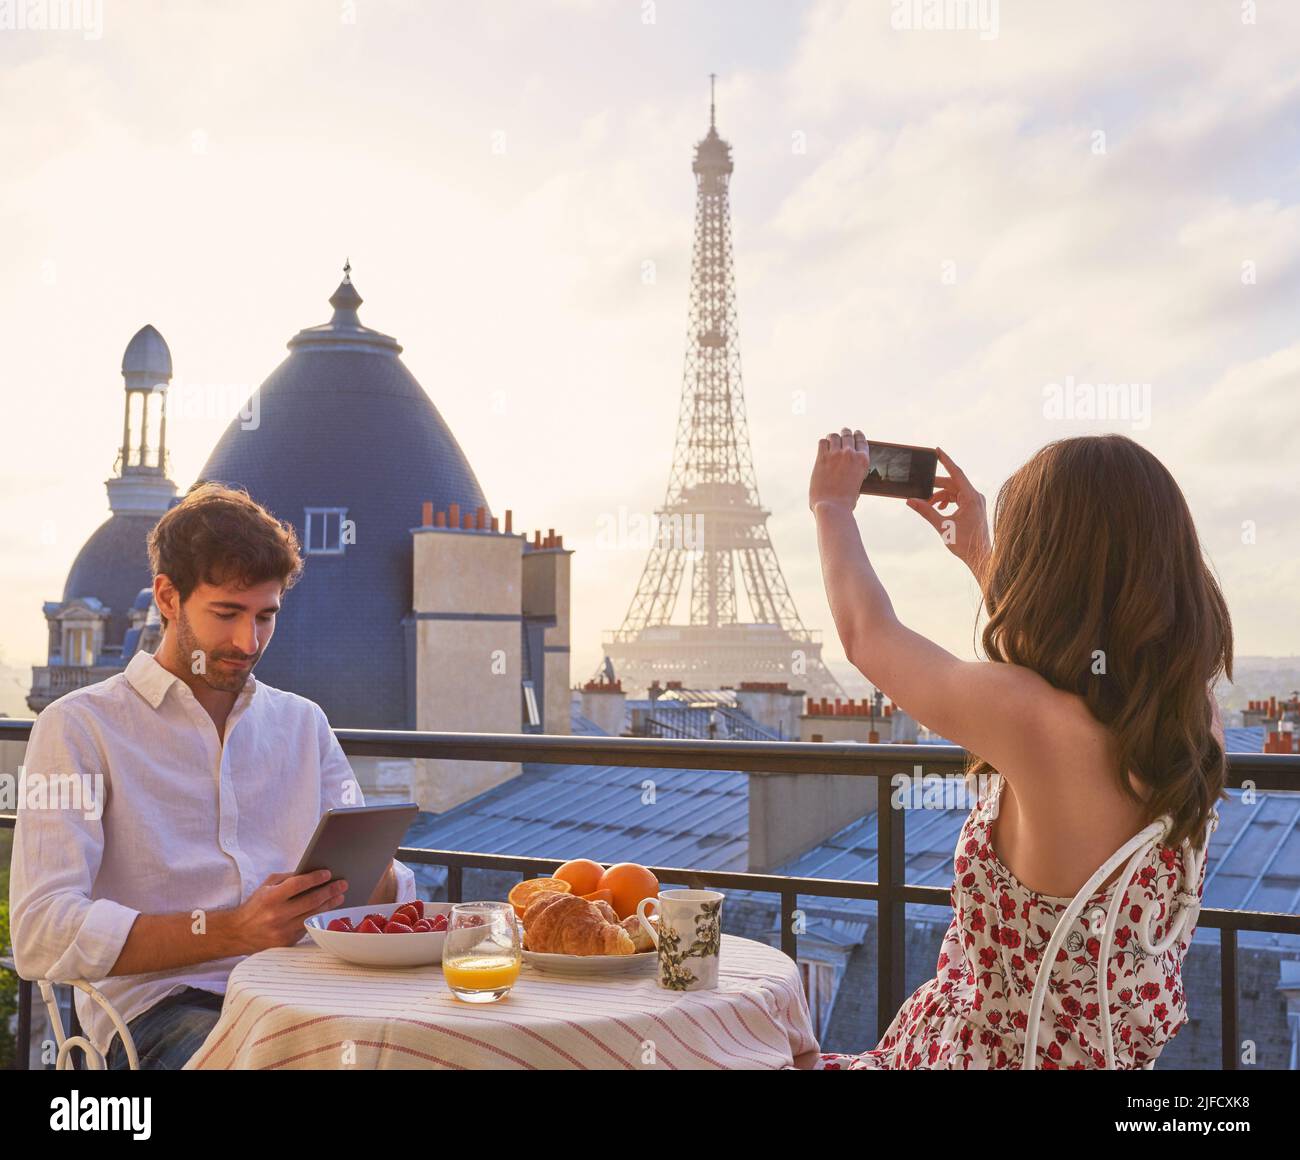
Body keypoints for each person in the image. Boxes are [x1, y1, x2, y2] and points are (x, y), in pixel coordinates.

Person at [807, 431, 1228, 1069]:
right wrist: (978, 548)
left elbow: (868, 635)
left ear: (1046, 564)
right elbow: (1084, 661)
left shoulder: (1030, 720)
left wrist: (831, 509)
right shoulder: (1196, 721)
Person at [10, 482, 418, 1069]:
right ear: (168, 597)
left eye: (265, 615)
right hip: (161, 1014)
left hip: (305, 995)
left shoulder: (303, 724)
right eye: (226, 613)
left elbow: (380, 891)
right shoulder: (78, 728)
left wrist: (365, 874)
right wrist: (233, 931)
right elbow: (41, 932)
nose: (247, 641)